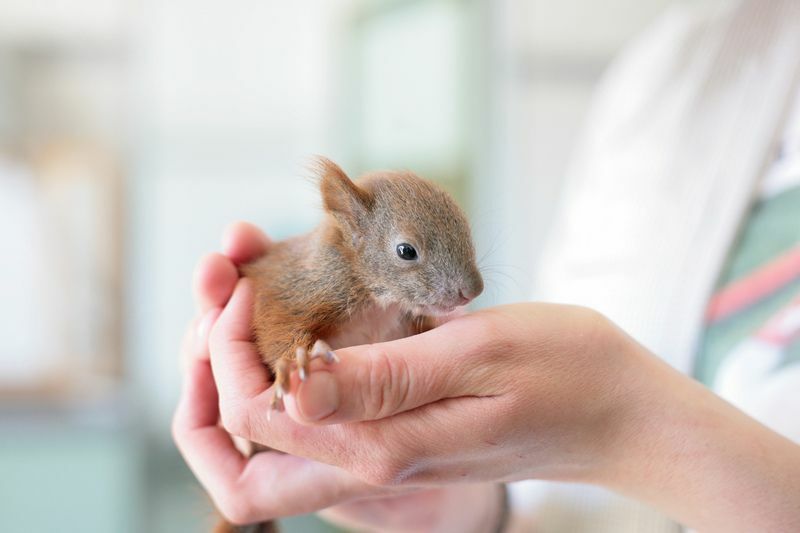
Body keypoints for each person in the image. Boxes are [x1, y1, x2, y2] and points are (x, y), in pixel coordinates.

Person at [172, 1, 800, 531]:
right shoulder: (677, 64)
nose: (469, 289)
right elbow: (561, 502)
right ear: (350, 226)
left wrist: (626, 426)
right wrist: (463, 500)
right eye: (410, 255)